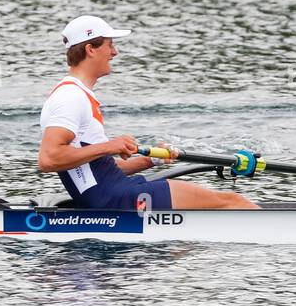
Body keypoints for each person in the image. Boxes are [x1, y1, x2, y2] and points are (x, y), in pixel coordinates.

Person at [37, 15, 258, 210]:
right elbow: (48, 159)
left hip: (115, 193)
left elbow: (97, 172)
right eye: (109, 44)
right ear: (90, 49)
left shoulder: (76, 94)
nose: (114, 52)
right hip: (116, 199)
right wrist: (109, 146)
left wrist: (152, 162)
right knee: (232, 202)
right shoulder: (70, 97)